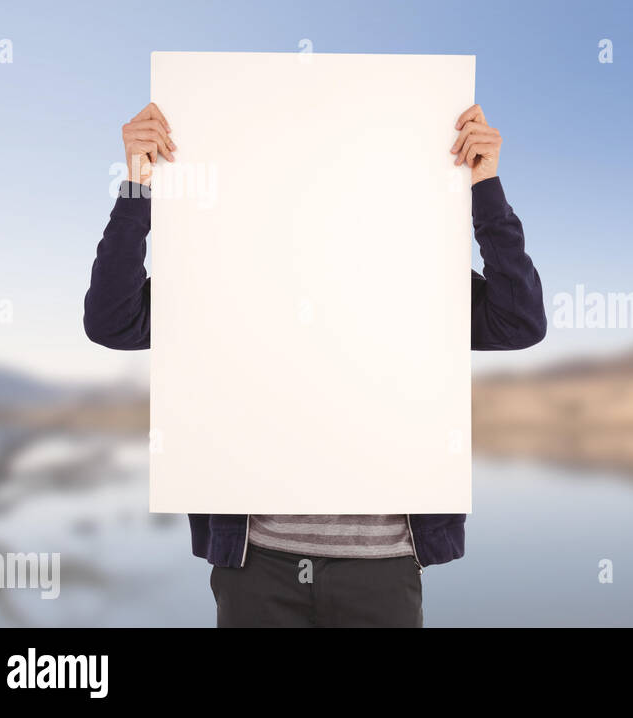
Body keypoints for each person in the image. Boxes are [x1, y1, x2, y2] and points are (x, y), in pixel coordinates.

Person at [84, 102, 546, 627]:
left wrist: (485, 186)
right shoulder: (227, 270)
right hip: (257, 562)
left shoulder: (413, 273)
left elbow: (520, 322)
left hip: (383, 565)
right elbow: (111, 322)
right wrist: (138, 185)